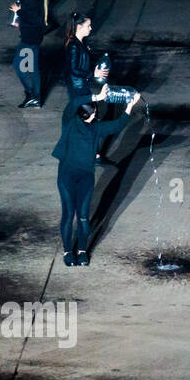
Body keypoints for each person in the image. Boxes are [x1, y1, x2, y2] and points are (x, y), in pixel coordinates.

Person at [51, 84, 142, 266]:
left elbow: (116, 125)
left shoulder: (92, 127)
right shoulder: (70, 123)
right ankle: (70, 252)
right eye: (94, 112)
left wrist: (123, 105)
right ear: (89, 115)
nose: (96, 115)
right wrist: (100, 98)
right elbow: (77, 102)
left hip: (81, 175)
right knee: (72, 215)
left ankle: (79, 251)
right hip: (69, 176)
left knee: (80, 215)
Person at [9, 0, 48, 108]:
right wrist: (20, 22)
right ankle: (33, 96)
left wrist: (19, 12)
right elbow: (33, 18)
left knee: (23, 68)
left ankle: (33, 96)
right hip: (30, 38)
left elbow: (34, 19)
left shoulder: (33, 0)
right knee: (28, 68)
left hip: (30, 40)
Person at [63, 12, 103, 100]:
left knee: (88, 110)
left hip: (82, 83)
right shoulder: (73, 46)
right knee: (84, 111)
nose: (91, 28)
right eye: (88, 26)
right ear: (79, 27)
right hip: (77, 86)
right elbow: (73, 69)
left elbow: (85, 62)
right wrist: (92, 74)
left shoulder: (82, 43)